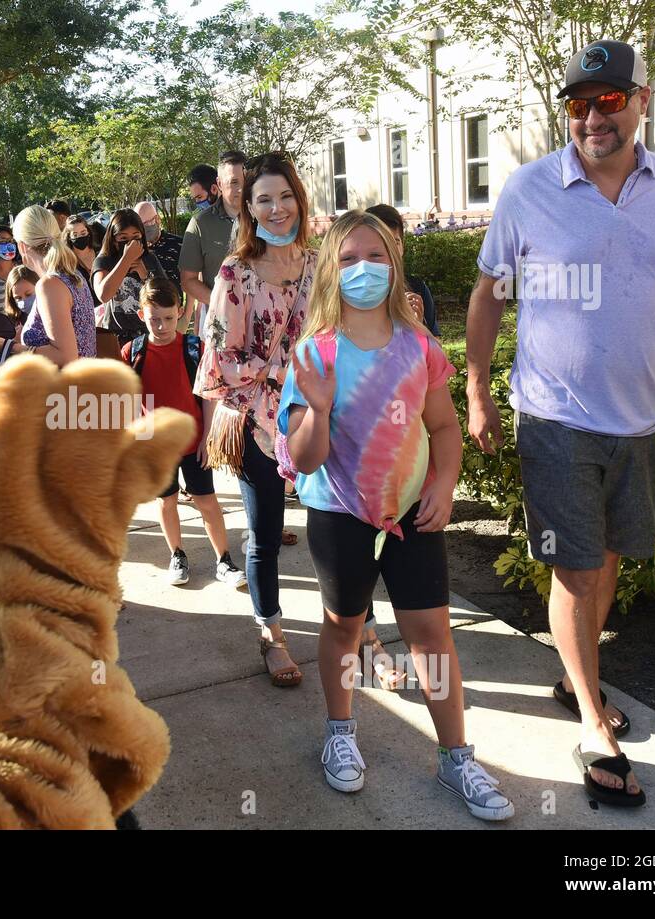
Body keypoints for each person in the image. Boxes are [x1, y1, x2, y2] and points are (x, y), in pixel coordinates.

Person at [467, 40, 655, 808]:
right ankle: (591, 723)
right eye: (578, 103)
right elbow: (488, 296)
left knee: (606, 560)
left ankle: (579, 677)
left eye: (608, 100)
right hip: (555, 418)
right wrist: (476, 388)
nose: (591, 117)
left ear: (643, 99)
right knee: (575, 569)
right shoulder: (528, 189)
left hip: (639, 421)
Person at [278, 208, 513, 820]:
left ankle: (455, 755)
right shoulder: (316, 354)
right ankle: (340, 731)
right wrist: (320, 410)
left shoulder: (421, 346)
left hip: (411, 514)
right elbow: (305, 458)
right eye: (349, 259)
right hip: (339, 513)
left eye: (375, 257)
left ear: (395, 263)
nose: (363, 270)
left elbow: (442, 425)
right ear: (330, 269)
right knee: (344, 626)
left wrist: (445, 479)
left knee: (432, 634)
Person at [194, 151, 318, 689]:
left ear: (300, 199)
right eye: (263, 198)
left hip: (318, 417)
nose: (276, 208)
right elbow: (221, 358)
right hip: (257, 423)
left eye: (285, 196)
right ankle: (272, 632)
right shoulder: (234, 273)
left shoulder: (319, 264)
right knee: (265, 534)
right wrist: (288, 369)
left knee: (339, 529)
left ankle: (361, 630)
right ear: (247, 206)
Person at [123, 278, 246, 590]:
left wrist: (207, 437)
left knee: (207, 500)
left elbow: (207, 396)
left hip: (194, 442)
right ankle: (176, 554)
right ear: (141, 316)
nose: (162, 326)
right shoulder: (133, 353)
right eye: (154, 319)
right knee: (167, 501)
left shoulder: (195, 349)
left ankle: (224, 559)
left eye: (168, 318)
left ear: (181, 312)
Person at [0, 204, 95, 366]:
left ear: (22, 246)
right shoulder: (72, 274)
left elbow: (65, 356)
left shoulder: (50, 284)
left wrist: (9, 346)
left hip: (62, 386)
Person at [181, 151, 246, 336]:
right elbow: (188, 280)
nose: (240, 188)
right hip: (221, 324)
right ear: (219, 184)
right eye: (233, 182)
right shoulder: (200, 224)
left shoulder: (266, 218)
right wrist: (223, 303)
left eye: (244, 180)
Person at [92, 207, 167, 345]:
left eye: (135, 237)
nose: (131, 244)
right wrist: (126, 260)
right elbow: (103, 295)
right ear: (113, 239)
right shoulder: (104, 261)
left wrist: (145, 274)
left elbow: (166, 295)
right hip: (117, 338)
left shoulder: (149, 258)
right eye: (124, 238)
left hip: (150, 334)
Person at [365, 203, 439, 336]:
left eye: (395, 242)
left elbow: (435, 349)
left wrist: (418, 326)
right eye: (381, 243)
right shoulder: (354, 290)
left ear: (402, 246)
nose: (389, 251)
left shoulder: (417, 288)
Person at [135, 201, 184, 303]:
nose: (143, 230)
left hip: (173, 310)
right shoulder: (135, 250)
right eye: (139, 226)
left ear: (157, 220)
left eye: (146, 224)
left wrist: (188, 313)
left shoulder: (178, 244)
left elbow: (191, 279)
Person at [65, 214, 98, 299]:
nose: (79, 237)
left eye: (83, 233)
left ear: (88, 232)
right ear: (69, 237)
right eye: (75, 235)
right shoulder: (68, 262)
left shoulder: (100, 252)